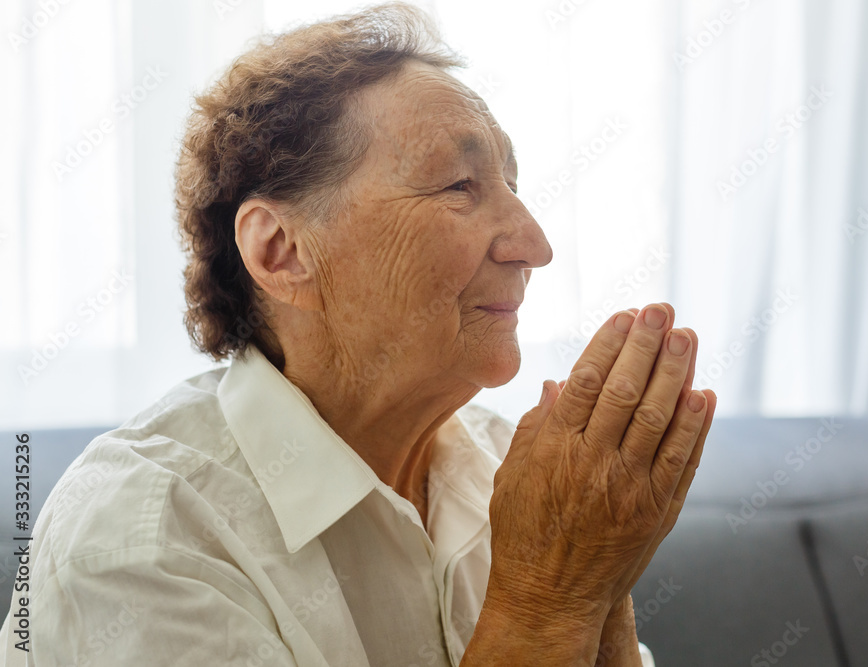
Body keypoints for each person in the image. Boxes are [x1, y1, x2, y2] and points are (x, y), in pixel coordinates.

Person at [1, 3, 717, 665]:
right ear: (280, 252)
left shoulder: (514, 469)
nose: (534, 244)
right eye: (459, 186)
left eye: (512, 184)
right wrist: (547, 596)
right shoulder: (140, 536)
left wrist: (600, 580)